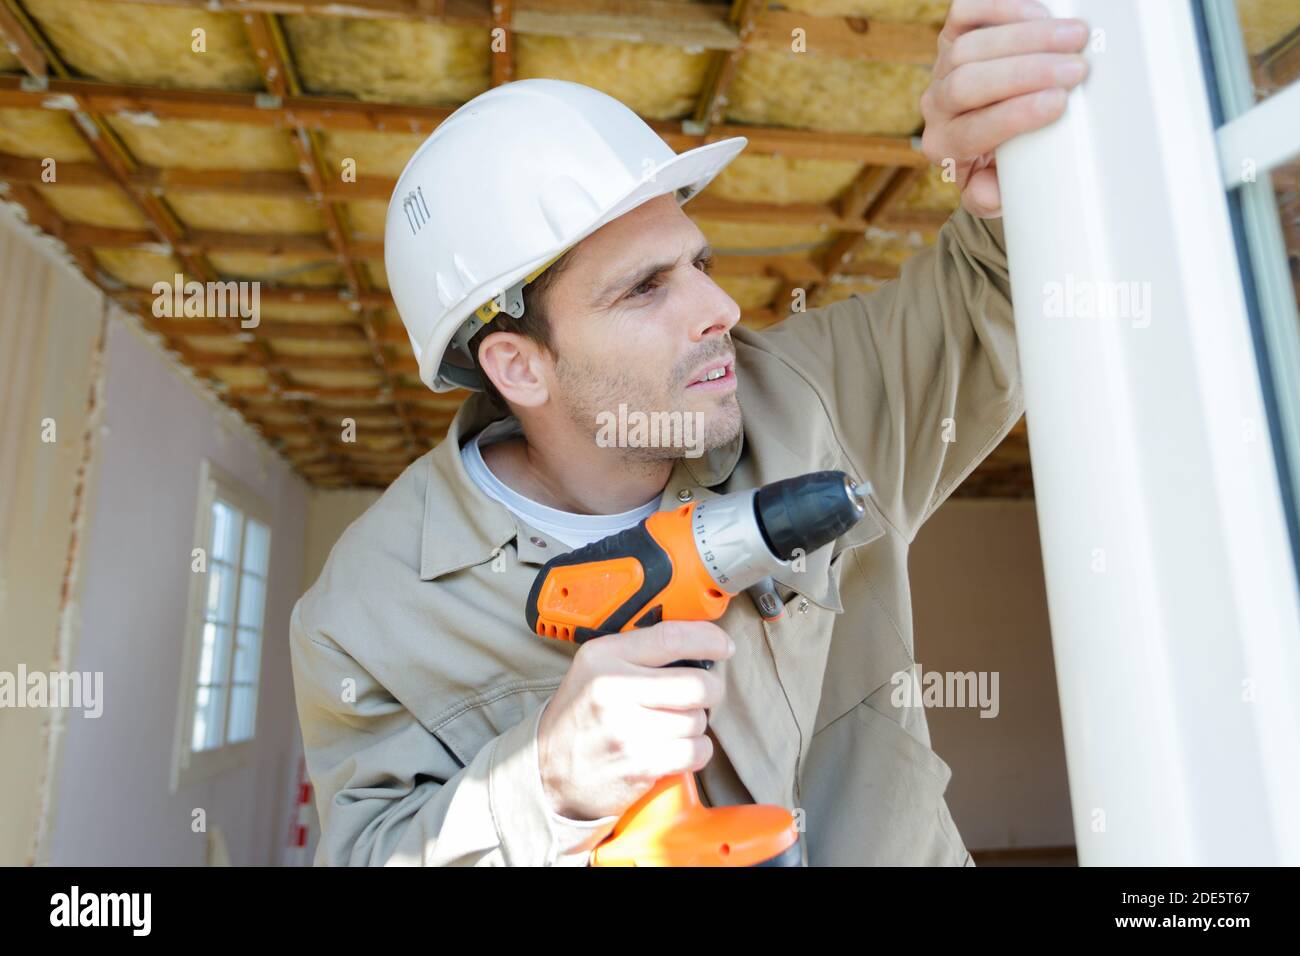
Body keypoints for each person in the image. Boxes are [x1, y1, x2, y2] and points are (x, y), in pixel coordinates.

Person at [289, 0, 1090, 865]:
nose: (720, 310)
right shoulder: (367, 614)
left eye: (698, 265)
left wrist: (1009, 154)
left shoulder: (811, 401)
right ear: (519, 365)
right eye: (645, 288)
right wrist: (541, 787)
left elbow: (1003, 283)